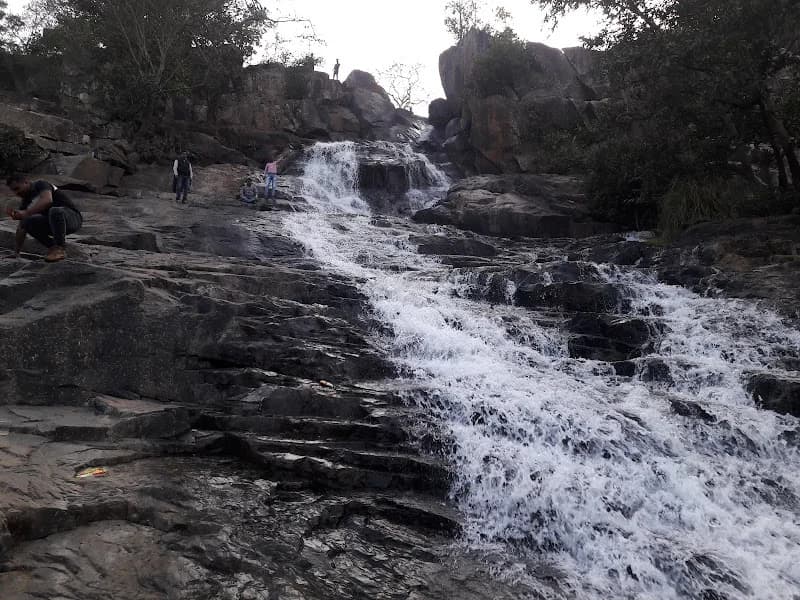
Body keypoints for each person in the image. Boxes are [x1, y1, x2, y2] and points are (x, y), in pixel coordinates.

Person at [5, 175, 83, 263]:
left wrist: (26, 212)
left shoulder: (40, 184)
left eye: (17, 188)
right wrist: (16, 252)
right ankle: (53, 247)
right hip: (53, 224)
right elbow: (21, 227)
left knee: (55, 211)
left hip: (72, 218)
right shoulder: (26, 201)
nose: (16, 193)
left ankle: (60, 249)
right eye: (14, 190)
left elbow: (47, 200)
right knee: (27, 222)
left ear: (26, 182)